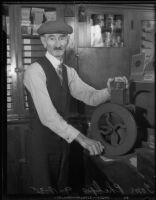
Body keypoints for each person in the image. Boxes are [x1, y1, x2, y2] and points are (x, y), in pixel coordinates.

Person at [23, 20, 128, 194]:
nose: (58, 44)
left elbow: (91, 97)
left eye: (62, 38)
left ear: (68, 41)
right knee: (44, 192)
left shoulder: (68, 71)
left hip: (63, 143)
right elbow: (48, 116)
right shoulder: (35, 71)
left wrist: (109, 91)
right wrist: (83, 139)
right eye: (51, 38)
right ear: (43, 42)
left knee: (62, 189)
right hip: (41, 147)